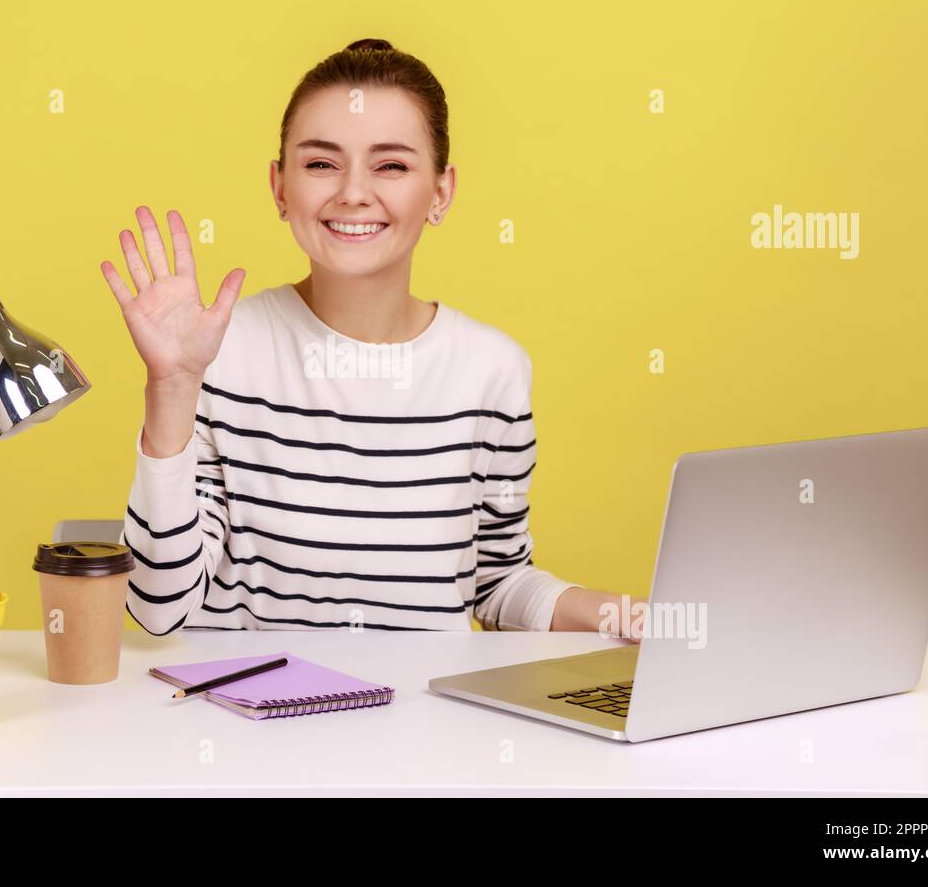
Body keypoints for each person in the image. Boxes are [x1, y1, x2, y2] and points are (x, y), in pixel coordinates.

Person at [101, 37, 645, 636]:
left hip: (421, 725)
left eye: (391, 164)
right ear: (281, 188)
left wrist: (621, 616)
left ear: (440, 192)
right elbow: (159, 608)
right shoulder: (216, 353)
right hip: (244, 723)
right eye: (321, 163)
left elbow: (496, 581)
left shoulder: (494, 371)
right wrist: (173, 389)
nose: (354, 192)